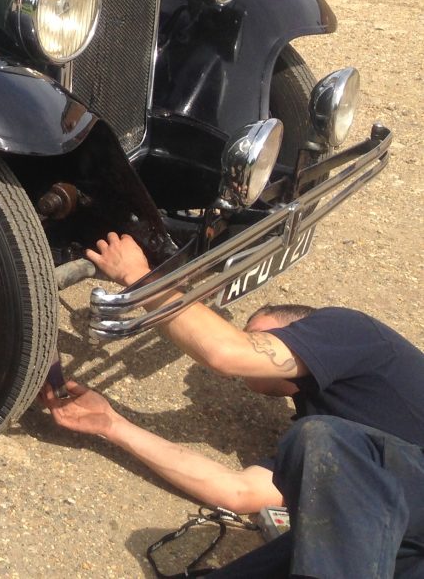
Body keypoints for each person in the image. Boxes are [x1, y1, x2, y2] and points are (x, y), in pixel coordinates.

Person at [43, 233, 424, 576]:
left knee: (321, 439)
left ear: (295, 329)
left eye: (254, 333)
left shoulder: (347, 331)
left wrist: (140, 278)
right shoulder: (321, 440)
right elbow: (237, 491)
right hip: (400, 543)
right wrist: (112, 424)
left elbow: (225, 352)